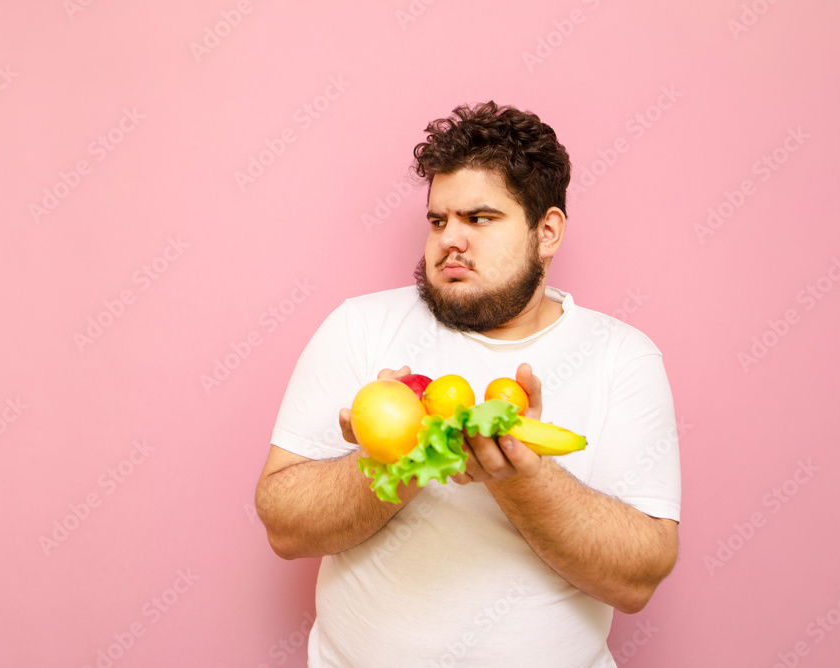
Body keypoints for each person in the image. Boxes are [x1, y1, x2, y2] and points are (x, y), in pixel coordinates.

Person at [255, 101, 681, 667]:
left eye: (479, 219)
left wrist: (518, 473)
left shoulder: (623, 356)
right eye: (438, 220)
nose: (449, 239)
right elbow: (284, 527)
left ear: (547, 231)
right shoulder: (360, 326)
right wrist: (396, 457)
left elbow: (638, 579)